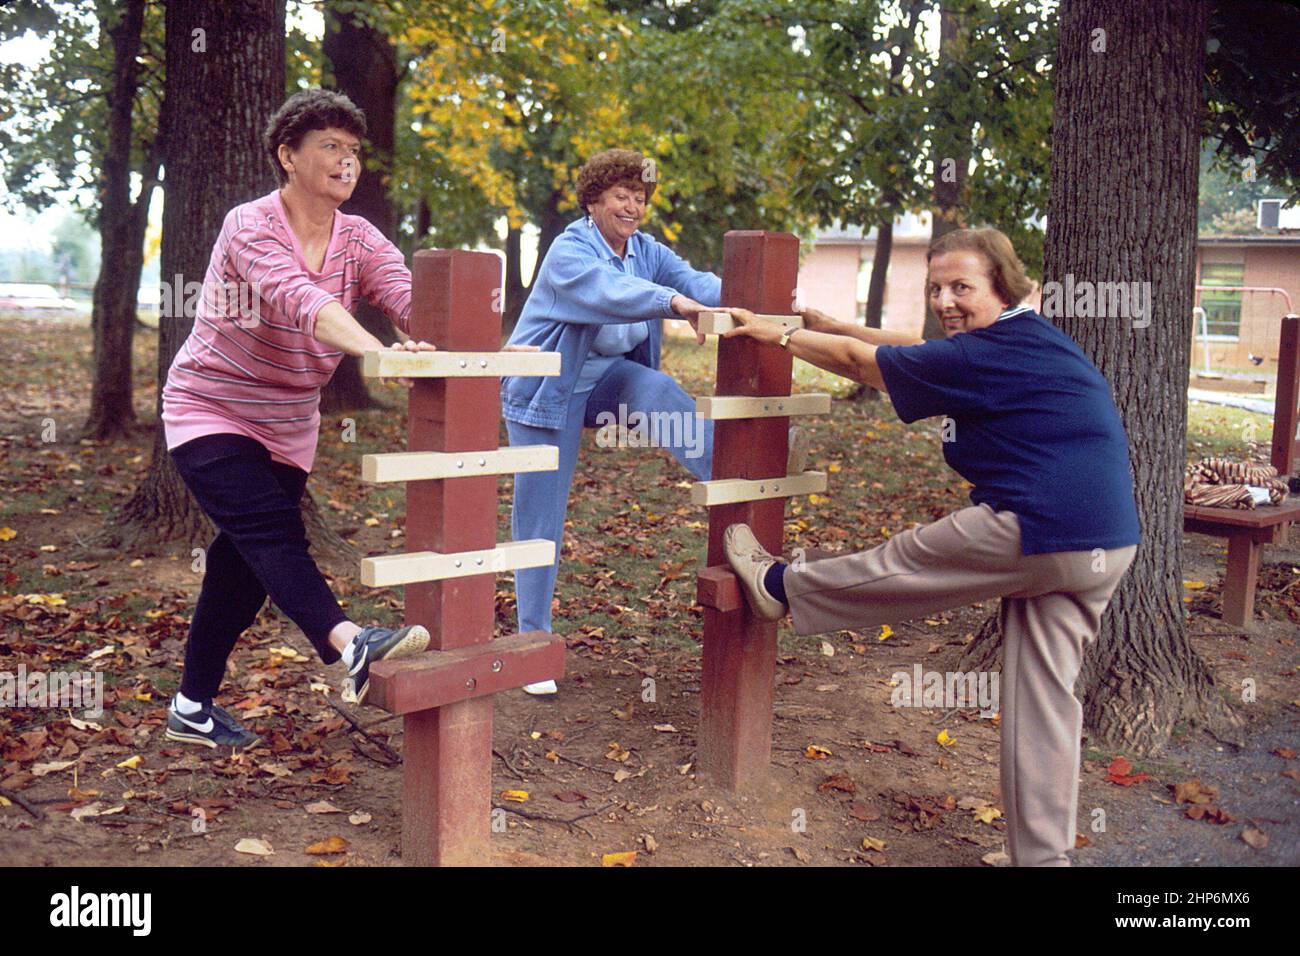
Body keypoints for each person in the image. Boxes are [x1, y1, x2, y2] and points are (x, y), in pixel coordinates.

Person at [719, 227, 1140, 866]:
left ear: (1006, 288)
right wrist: (835, 323)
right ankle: (1045, 859)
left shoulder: (985, 353)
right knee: (1045, 702)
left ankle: (779, 588)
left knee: (909, 560)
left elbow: (869, 368)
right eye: (936, 287)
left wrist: (776, 334)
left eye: (962, 287)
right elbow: (914, 350)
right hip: (1105, 543)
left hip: (1039, 525)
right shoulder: (1025, 339)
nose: (946, 300)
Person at [159, 90, 435, 750]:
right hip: (210, 407)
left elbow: (408, 297)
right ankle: (349, 645)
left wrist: (450, 337)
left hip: (287, 422)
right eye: (330, 147)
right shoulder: (249, 226)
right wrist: (375, 351)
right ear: (288, 156)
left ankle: (190, 709)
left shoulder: (360, 237)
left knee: (244, 566)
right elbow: (296, 296)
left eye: (354, 150)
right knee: (274, 533)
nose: (347, 162)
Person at [502, 149, 807, 695]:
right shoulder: (569, 251)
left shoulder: (645, 250)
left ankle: (736, 464)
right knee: (541, 509)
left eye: (641, 197)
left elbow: (699, 281)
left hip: (605, 379)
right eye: (622, 195)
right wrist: (673, 303)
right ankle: (533, 642)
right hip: (546, 389)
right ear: (593, 200)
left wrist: (759, 298)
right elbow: (610, 293)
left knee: (659, 390)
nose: (633, 206)